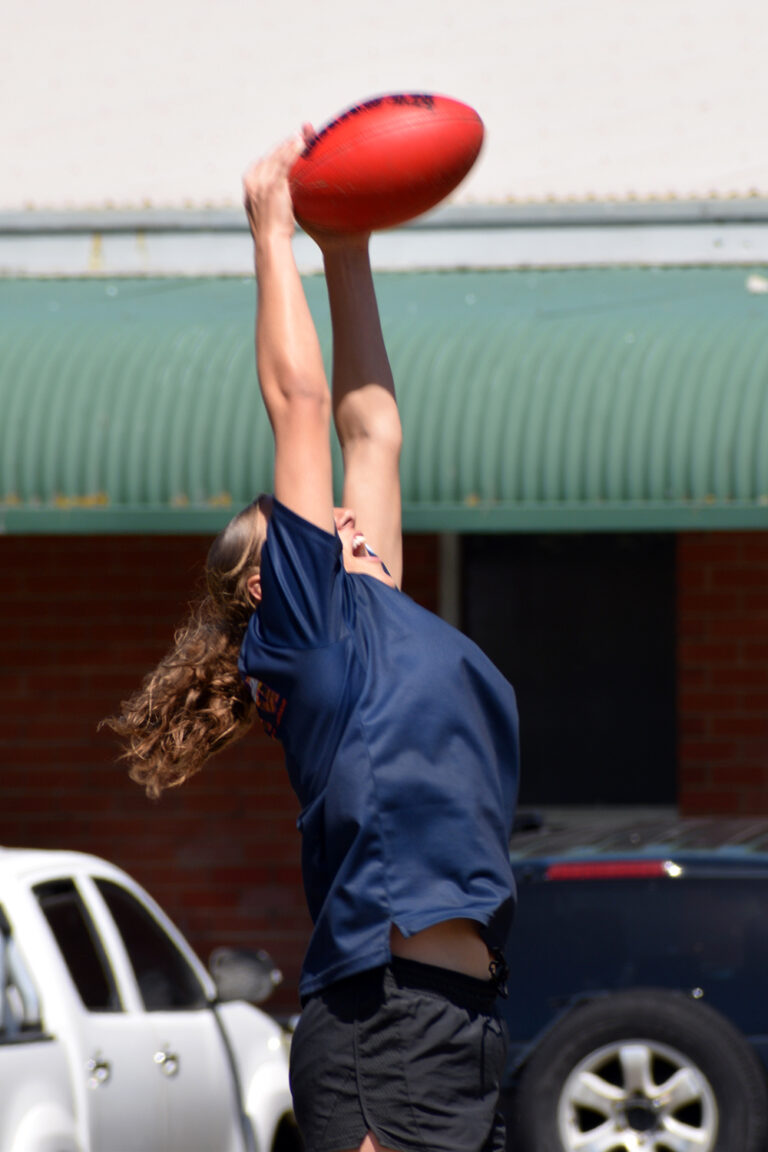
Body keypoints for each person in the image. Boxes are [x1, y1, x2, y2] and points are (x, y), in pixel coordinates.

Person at [103, 133, 519, 1152]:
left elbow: (372, 431)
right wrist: (271, 230)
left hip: (459, 1029)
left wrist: (348, 250)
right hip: (383, 1024)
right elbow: (300, 403)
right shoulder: (305, 634)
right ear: (268, 582)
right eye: (296, 519)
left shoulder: (372, 606)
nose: (333, 507)